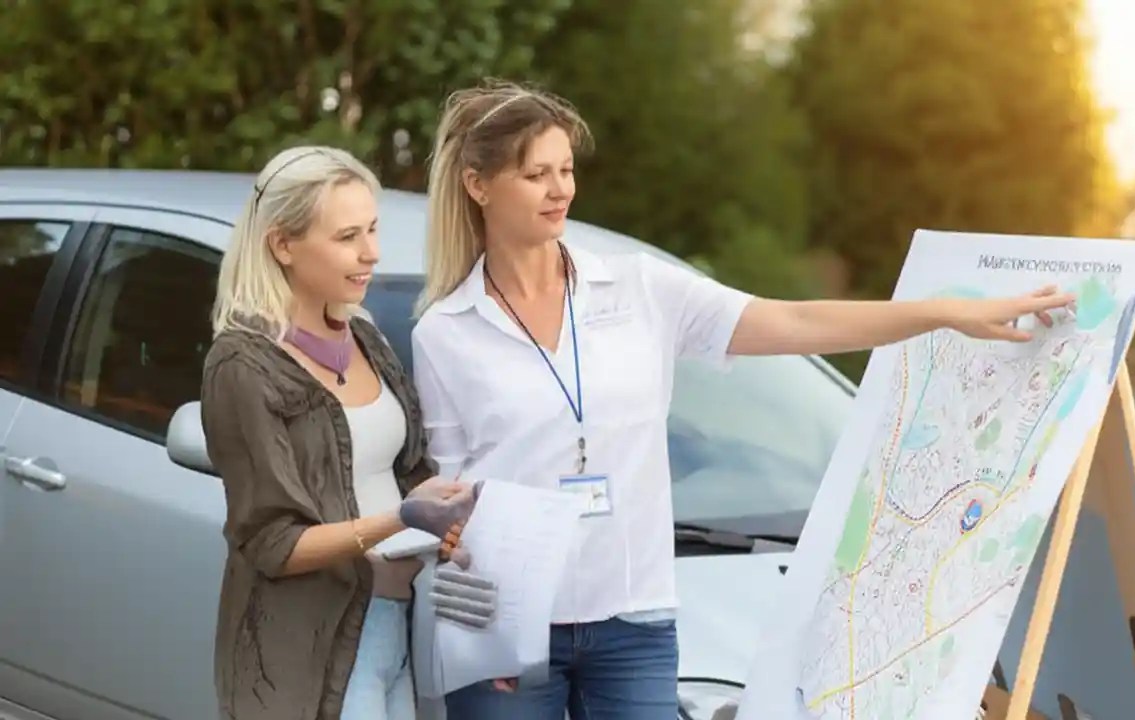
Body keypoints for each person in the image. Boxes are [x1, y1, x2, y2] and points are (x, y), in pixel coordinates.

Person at [409, 81, 1076, 719]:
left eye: (566, 169)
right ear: (478, 186)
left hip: (632, 621)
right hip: (509, 622)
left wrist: (944, 312)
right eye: (536, 175)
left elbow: (796, 324)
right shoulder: (445, 332)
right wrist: (456, 544)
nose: (561, 190)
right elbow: (453, 488)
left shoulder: (640, 288)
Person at [200, 145, 494, 720]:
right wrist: (401, 522)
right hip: (314, 647)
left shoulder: (366, 336)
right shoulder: (242, 365)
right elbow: (273, 544)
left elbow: (412, 473)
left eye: (373, 230)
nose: (370, 254)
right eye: (347, 237)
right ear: (282, 244)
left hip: (399, 625)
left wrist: (447, 518)